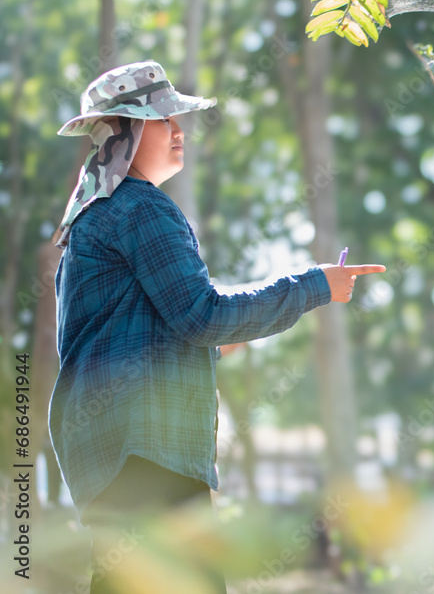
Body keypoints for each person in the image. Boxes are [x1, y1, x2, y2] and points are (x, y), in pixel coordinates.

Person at [50, 60, 386, 593]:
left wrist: (210, 348)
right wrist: (314, 286)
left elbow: (148, 335)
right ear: (128, 130)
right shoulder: (141, 209)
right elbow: (202, 316)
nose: (179, 130)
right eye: (162, 120)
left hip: (113, 454)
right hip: (147, 450)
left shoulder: (94, 215)